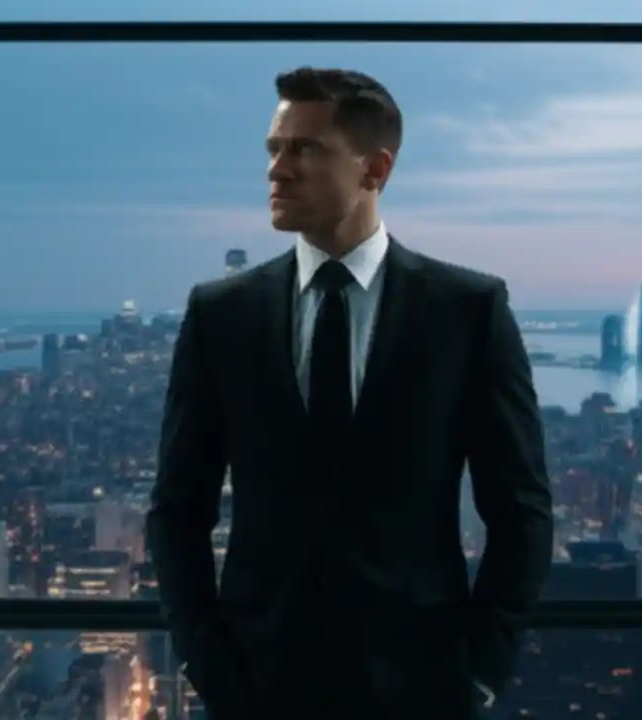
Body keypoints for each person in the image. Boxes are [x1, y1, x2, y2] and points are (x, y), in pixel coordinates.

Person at [144, 66, 553, 719]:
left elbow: (522, 508)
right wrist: (204, 661)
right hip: (257, 685)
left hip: (422, 688)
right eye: (274, 149)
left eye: (305, 148)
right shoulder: (222, 313)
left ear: (374, 170)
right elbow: (176, 508)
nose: (277, 170)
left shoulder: (466, 309)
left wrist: (479, 673)